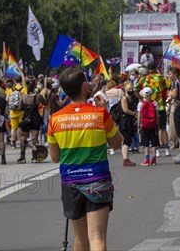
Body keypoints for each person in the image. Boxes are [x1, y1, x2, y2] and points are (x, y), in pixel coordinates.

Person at [48, 66, 122, 251]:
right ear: (84, 87)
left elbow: (55, 157)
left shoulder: (55, 119)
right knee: (97, 239)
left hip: (71, 183)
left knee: (80, 240)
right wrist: (105, 112)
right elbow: (117, 144)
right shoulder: (100, 114)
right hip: (98, 181)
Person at [135, 62, 171, 157]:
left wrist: (140, 98)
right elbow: (169, 86)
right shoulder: (162, 78)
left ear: (148, 69)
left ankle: (157, 150)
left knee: (155, 128)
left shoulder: (144, 78)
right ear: (155, 68)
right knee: (163, 128)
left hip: (148, 106)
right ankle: (166, 149)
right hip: (160, 105)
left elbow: (135, 88)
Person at [18, 79, 46, 163]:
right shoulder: (38, 96)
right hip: (35, 117)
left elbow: (19, 107)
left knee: (23, 138)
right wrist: (44, 96)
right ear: (34, 88)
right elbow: (45, 103)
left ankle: (22, 157)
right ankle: (35, 157)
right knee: (35, 138)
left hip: (26, 117)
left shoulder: (23, 96)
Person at [119, 80, 138, 166]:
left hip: (129, 121)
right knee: (126, 140)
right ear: (125, 90)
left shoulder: (132, 98)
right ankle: (125, 159)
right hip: (125, 122)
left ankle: (126, 159)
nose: (131, 90)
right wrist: (135, 114)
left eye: (132, 88)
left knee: (128, 140)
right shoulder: (124, 98)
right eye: (129, 89)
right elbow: (125, 110)